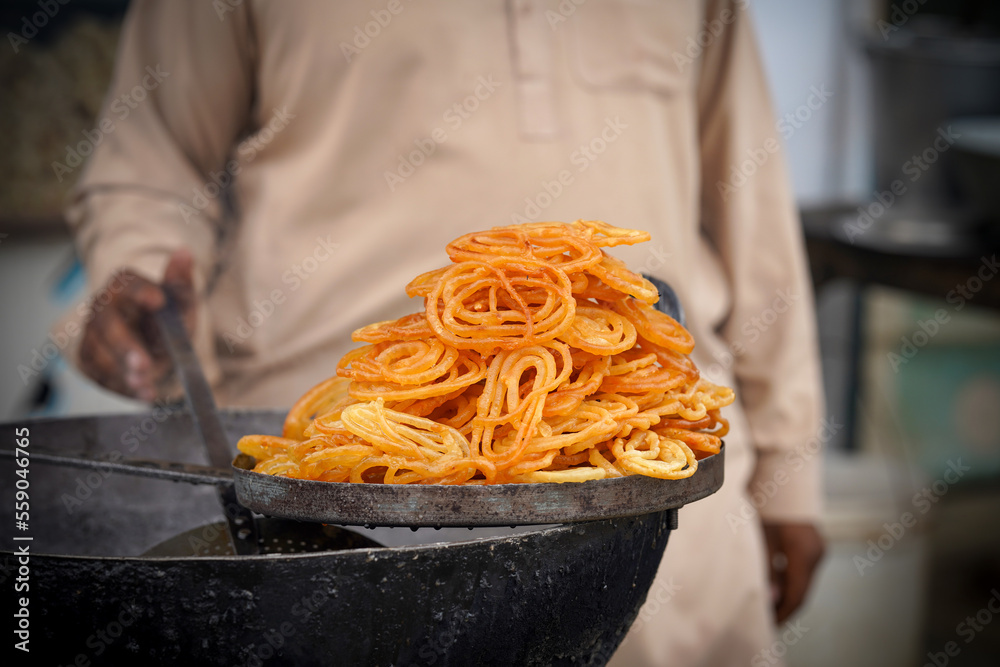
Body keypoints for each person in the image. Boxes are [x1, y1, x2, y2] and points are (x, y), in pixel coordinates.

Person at [65, 1, 825, 664]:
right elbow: (147, 165)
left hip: (656, 482)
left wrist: (793, 469)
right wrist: (139, 275)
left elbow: (752, 199)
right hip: (328, 492)